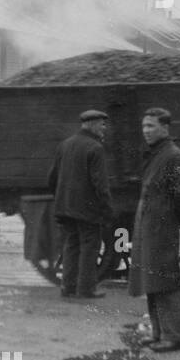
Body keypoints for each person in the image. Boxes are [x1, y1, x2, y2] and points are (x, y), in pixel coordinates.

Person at [129, 108, 180, 352]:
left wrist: (176, 219)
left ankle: (175, 336)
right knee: (152, 281)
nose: (146, 131)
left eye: (151, 126)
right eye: (144, 126)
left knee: (166, 280)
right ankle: (159, 333)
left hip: (162, 227)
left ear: (165, 128)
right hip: (149, 225)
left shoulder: (174, 156)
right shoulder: (158, 154)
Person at [47, 110, 114, 299]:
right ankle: (85, 290)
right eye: (102, 124)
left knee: (71, 245)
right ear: (91, 124)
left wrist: (61, 198)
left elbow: (51, 178)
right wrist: (107, 209)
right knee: (90, 247)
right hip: (88, 209)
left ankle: (67, 287)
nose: (104, 128)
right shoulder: (95, 148)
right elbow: (100, 184)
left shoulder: (65, 145)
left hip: (66, 207)